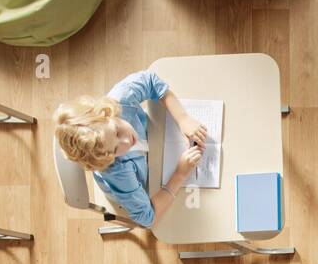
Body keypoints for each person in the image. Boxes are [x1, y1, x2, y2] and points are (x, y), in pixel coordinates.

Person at [54, 70, 206, 229]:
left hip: (153, 141)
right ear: (108, 158)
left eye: (117, 131)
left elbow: (150, 80)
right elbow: (147, 218)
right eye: (114, 149)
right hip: (137, 185)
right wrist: (180, 174)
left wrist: (182, 118)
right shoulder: (116, 171)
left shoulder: (119, 101)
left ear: (106, 113)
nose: (127, 141)